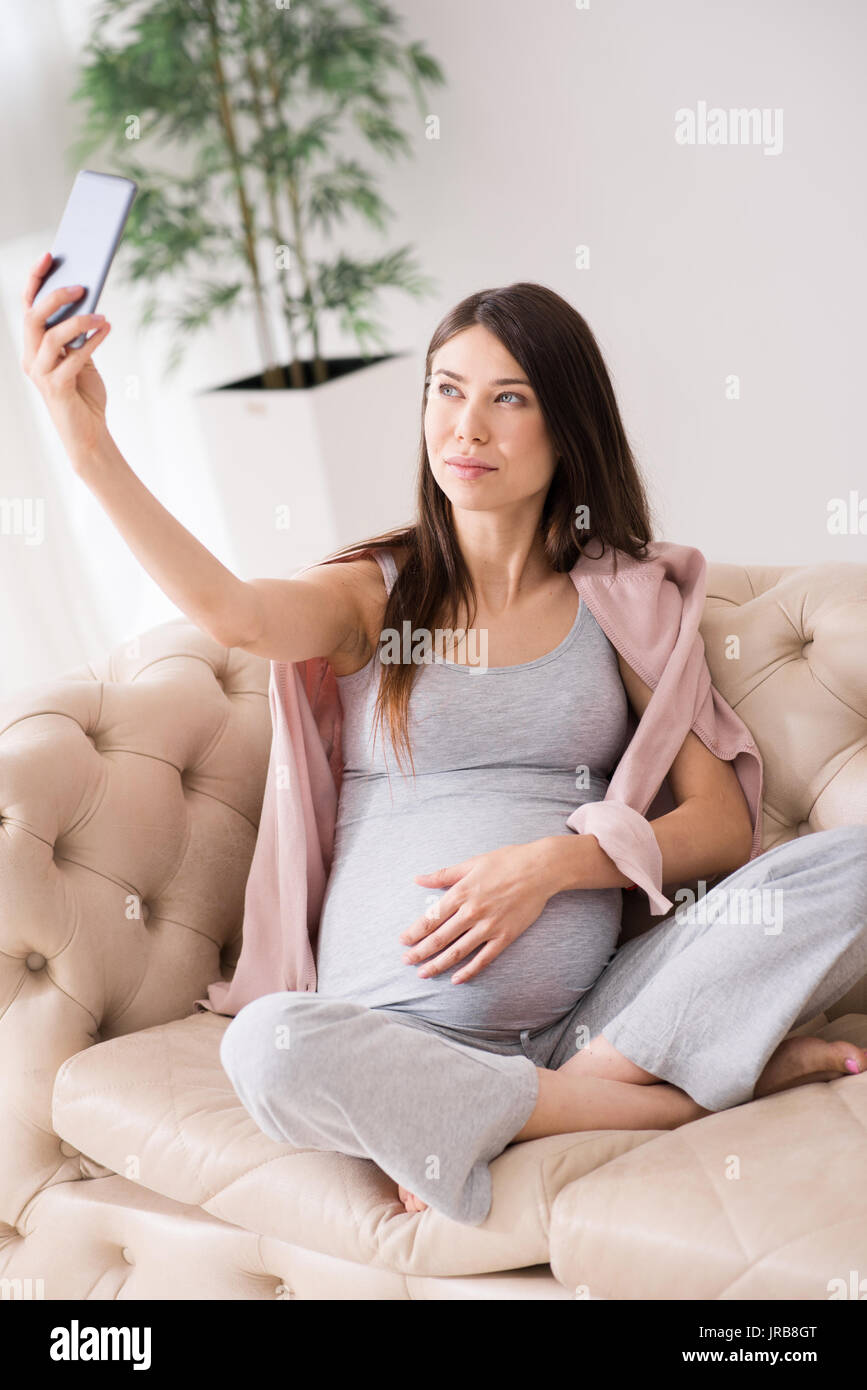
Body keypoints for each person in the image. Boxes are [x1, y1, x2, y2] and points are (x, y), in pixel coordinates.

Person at [21, 266, 867, 1226]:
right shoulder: (375, 596)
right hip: (391, 1028)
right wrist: (89, 451)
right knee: (269, 1049)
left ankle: (508, 1108)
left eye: (508, 398)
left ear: (566, 425)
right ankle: (666, 1097)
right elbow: (234, 612)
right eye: (446, 390)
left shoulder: (622, 601)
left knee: (853, 862)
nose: (465, 428)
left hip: (597, 1014)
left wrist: (555, 866)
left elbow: (717, 822)